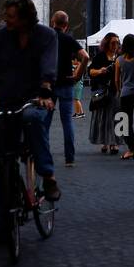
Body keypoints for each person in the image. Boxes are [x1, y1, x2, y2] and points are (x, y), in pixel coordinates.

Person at [0, 0, 60, 243]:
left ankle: (47, 176)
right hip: (8, 100)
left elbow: (48, 67)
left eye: (11, 16)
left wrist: (45, 91)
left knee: (31, 118)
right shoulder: (1, 38)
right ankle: (3, 226)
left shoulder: (46, 36)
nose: (6, 20)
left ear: (25, 17)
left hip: (37, 98)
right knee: (2, 164)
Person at [50, 11, 90, 169]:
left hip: (50, 83)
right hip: (66, 83)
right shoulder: (68, 39)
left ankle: (43, 155)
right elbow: (85, 56)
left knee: (45, 122)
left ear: (53, 22)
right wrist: (78, 75)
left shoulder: (48, 38)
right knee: (67, 122)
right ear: (66, 25)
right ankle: (69, 158)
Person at [88, 33, 122, 155]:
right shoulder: (100, 56)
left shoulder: (119, 57)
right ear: (107, 43)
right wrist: (100, 71)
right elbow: (90, 71)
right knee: (103, 117)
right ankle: (104, 142)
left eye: (117, 42)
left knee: (117, 117)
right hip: (102, 91)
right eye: (113, 42)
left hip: (116, 91)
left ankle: (115, 143)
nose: (115, 45)